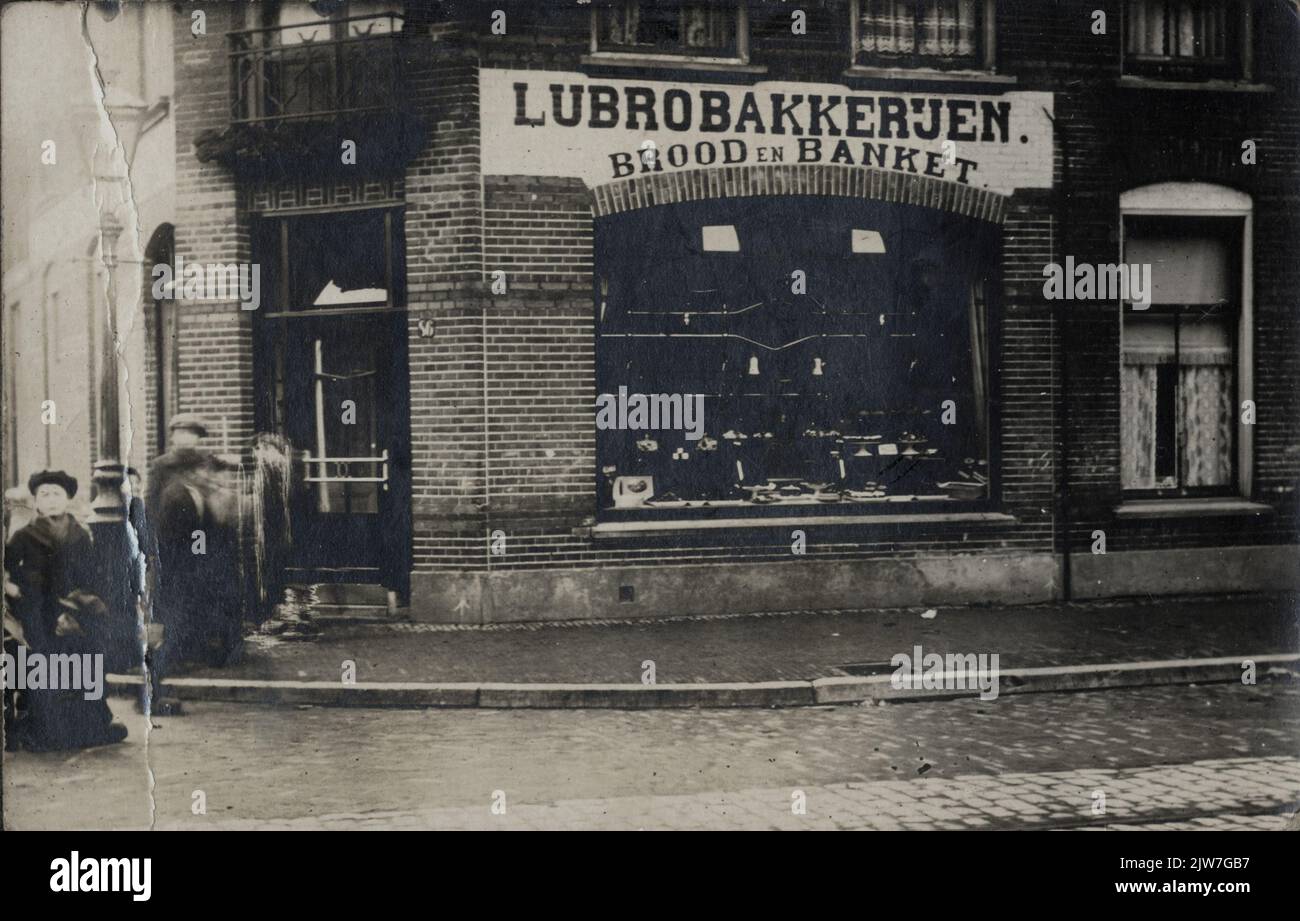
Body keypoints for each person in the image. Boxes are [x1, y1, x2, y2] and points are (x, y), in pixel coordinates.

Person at [3, 470, 128, 751]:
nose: (51, 500)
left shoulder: (80, 535)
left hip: (75, 607)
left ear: (68, 499)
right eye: (44, 495)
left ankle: (91, 724)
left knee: (88, 652)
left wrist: (87, 604)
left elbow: (90, 577)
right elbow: (9, 572)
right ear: (35, 502)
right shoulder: (24, 536)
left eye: (57, 494)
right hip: (37, 609)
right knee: (46, 657)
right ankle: (43, 728)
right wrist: (15, 589)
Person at [144, 414, 244, 696]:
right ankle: (176, 649)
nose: (186, 438)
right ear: (173, 436)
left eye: (192, 433)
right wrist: (153, 541)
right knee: (175, 592)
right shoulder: (162, 466)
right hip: (174, 539)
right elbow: (152, 502)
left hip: (206, 539)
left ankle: (205, 646)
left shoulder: (207, 463)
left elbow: (222, 489)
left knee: (204, 589)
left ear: (199, 438)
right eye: (181, 433)